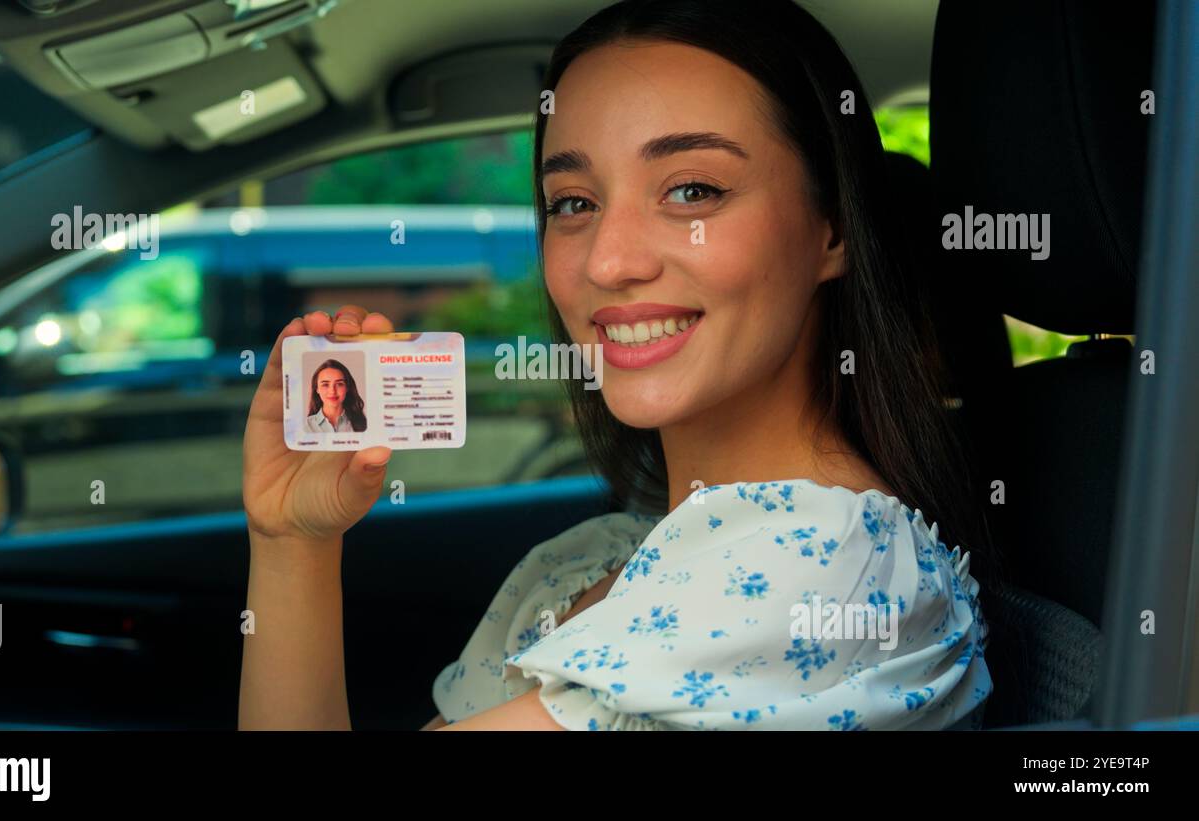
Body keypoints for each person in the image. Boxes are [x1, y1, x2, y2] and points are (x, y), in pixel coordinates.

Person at [238, 0, 994, 731]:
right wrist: (291, 543)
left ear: (831, 230)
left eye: (692, 190)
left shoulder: (830, 567)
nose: (607, 260)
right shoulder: (593, 556)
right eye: (572, 202)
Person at [304, 359, 367, 433]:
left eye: (339, 384)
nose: (332, 391)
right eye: (325, 385)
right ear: (317, 389)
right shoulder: (304, 427)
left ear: (347, 387)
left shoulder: (364, 425)